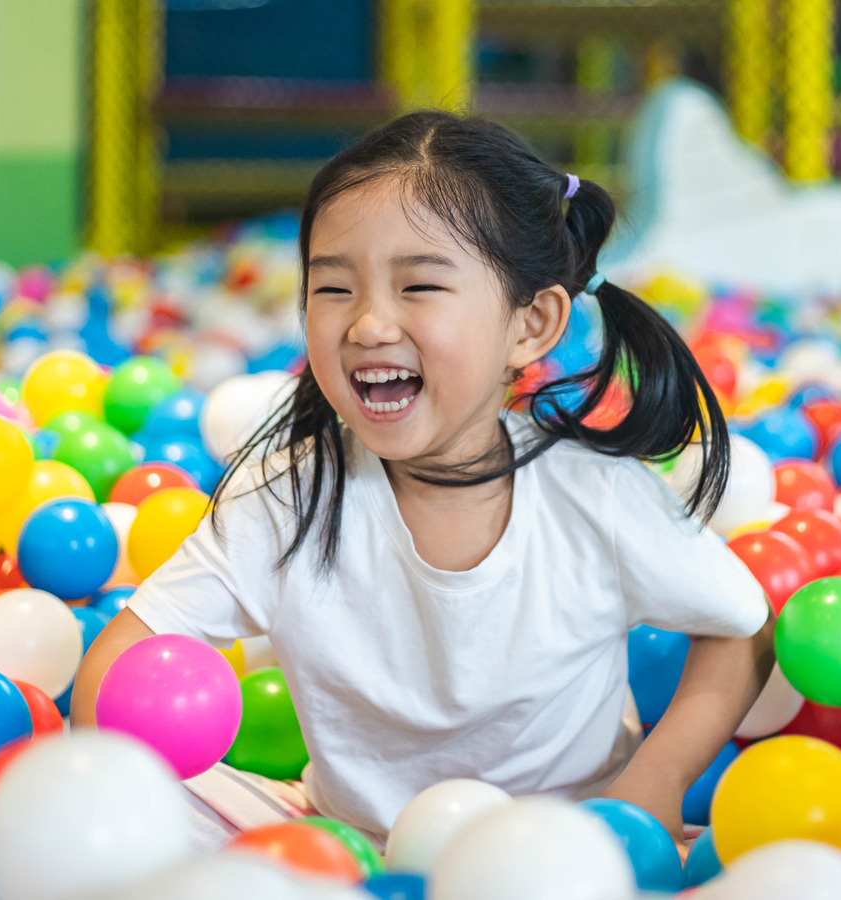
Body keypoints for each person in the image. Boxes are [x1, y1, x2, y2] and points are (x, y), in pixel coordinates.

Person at [71, 110, 774, 847]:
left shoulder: (592, 493)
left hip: (567, 853)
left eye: (420, 287)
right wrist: (117, 789)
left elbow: (742, 632)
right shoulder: (291, 495)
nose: (369, 324)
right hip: (348, 851)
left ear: (531, 324)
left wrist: (651, 786)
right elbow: (118, 667)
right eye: (334, 289)